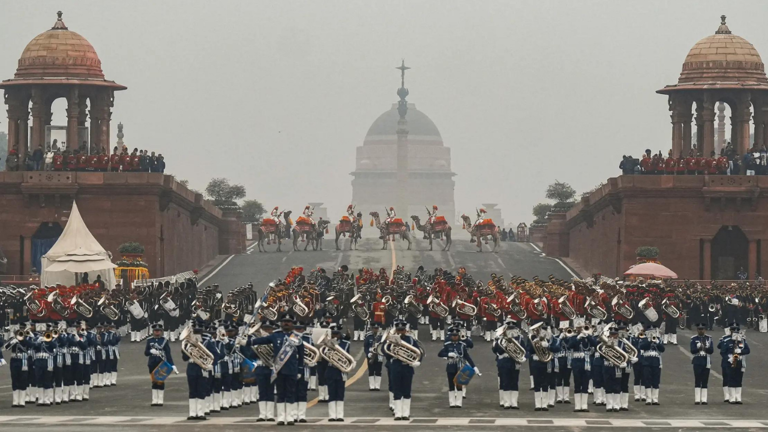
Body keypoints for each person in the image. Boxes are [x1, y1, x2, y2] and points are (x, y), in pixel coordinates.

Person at [250, 314, 305, 426]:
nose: (286, 323)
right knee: (280, 394)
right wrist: (246, 342)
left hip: (292, 370)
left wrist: (299, 370)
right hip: (278, 370)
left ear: (292, 324)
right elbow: (261, 340)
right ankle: (281, 417)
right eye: (284, 321)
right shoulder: (275, 336)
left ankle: (289, 417)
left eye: (288, 321)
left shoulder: (296, 338)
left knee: (290, 393)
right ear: (281, 323)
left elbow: (301, 355)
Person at [387, 320, 423, 420]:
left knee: (406, 390)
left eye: (402, 330)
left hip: (407, 367)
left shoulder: (411, 340)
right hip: (396, 367)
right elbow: (385, 352)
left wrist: (417, 361)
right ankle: (398, 413)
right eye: (398, 330)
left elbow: (418, 352)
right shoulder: (391, 339)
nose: (400, 332)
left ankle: (406, 413)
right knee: (396, 389)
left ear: (405, 330)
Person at [183, 321, 219, 420]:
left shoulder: (208, 340)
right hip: (192, 366)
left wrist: (211, 365)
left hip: (203, 367)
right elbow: (184, 358)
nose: (197, 332)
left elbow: (215, 355)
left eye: (199, 330)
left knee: (202, 390)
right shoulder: (187, 341)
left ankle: (201, 412)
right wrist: (188, 348)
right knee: (192, 390)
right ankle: (192, 413)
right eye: (195, 330)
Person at [438, 327, 478, 408]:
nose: (455, 337)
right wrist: (448, 354)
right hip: (451, 365)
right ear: (451, 336)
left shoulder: (462, 345)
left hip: (460, 366)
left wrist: (474, 367)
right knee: (451, 385)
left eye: (456, 335)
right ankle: (452, 402)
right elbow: (440, 354)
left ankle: (459, 402)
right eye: (453, 335)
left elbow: (467, 357)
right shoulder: (447, 345)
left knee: (459, 385)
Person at [568, 318, 596, 412]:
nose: (580, 329)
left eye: (582, 327)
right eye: (578, 327)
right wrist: (578, 338)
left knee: (585, 383)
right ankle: (577, 405)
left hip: (586, 362)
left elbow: (595, 344)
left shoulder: (588, 337)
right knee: (577, 383)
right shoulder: (573, 337)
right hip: (577, 361)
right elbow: (569, 346)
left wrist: (587, 336)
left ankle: (584, 405)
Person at [145, 323, 177, 406]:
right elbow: (146, 352)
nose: (157, 332)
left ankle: (160, 400)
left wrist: (172, 364)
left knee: (160, 381)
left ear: (161, 331)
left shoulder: (164, 341)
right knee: (154, 381)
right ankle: (154, 400)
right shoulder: (149, 340)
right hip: (152, 363)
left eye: (159, 331)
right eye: (155, 331)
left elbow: (168, 353)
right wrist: (150, 351)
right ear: (153, 331)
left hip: (161, 363)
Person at [325, 325, 350, 421]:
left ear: (340, 334)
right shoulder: (326, 344)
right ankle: (332, 415)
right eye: (333, 334)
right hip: (331, 370)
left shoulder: (346, 343)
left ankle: (340, 415)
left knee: (340, 393)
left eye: (337, 334)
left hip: (341, 371)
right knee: (331, 393)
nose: (335, 336)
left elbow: (347, 357)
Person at [722, 325, 750, 404]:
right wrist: (728, 358)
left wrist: (740, 351)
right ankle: (732, 397)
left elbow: (747, 350)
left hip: (739, 361)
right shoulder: (727, 341)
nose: (736, 333)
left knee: (739, 379)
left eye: (737, 332)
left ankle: (738, 397)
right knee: (731, 379)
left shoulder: (742, 341)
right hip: (730, 362)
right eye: (734, 332)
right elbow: (723, 352)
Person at [639, 327, 665, 405]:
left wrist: (656, 342)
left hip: (656, 361)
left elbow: (662, 349)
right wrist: (650, 341)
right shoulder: (643, 339)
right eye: (650, 332)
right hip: (647, 361)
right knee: (647, 379)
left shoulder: (659, 340)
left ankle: (655, 399)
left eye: (653, 332)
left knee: (656, 380)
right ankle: (648, 398)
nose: (651, 334)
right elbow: (642, 347)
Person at [690, 323, 713, 405]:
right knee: (697, 379)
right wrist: (698, 348)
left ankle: (704, 399)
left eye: (702, 329)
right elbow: (692, 351)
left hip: (706, 360)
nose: (701, 330)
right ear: (697, 330)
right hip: (697, 361)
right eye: (699, 329)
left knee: (705, 380)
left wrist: (706, 347)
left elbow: (711, 351)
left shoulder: (709, 338)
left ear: (705, 330)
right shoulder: (694, 339)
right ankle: (697, 399)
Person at [364, 323, 383, 391]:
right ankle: (371, 386)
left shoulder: (381, 337)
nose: (376, 329)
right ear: (372, 329)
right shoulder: (368, 336)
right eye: (374, 328)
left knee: (378, 370)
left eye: (377, 328)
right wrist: (367, 353)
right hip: (371, 355)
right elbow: (366, 346)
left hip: (379, 355)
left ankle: (377, 386)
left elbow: (383, 346)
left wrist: (382, 353)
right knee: (371, 370)